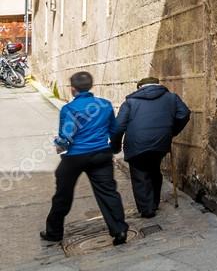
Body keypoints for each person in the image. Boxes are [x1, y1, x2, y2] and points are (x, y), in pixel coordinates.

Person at [41, 71, 128, 245]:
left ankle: (54, 232)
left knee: (63, 194)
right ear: (90, 86)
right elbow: (115, 129)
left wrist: (58, 142)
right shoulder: (105, 104)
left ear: (73, 89)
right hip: (101, 154)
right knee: (108, 192)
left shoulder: (69, 109)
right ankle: (119, 230)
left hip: (76, 156)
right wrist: (113, 148)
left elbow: (65, 136)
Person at [111, 77, 190, 218]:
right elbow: (184, 113)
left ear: (140, 87)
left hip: (137, 144)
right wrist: (171, 131)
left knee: (140, 175)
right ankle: (154, 203)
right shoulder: (171, 98)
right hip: (160, 142)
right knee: (154, 169)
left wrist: (115, 146)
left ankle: (147, 209)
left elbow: (118, 127)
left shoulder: (130, 102)